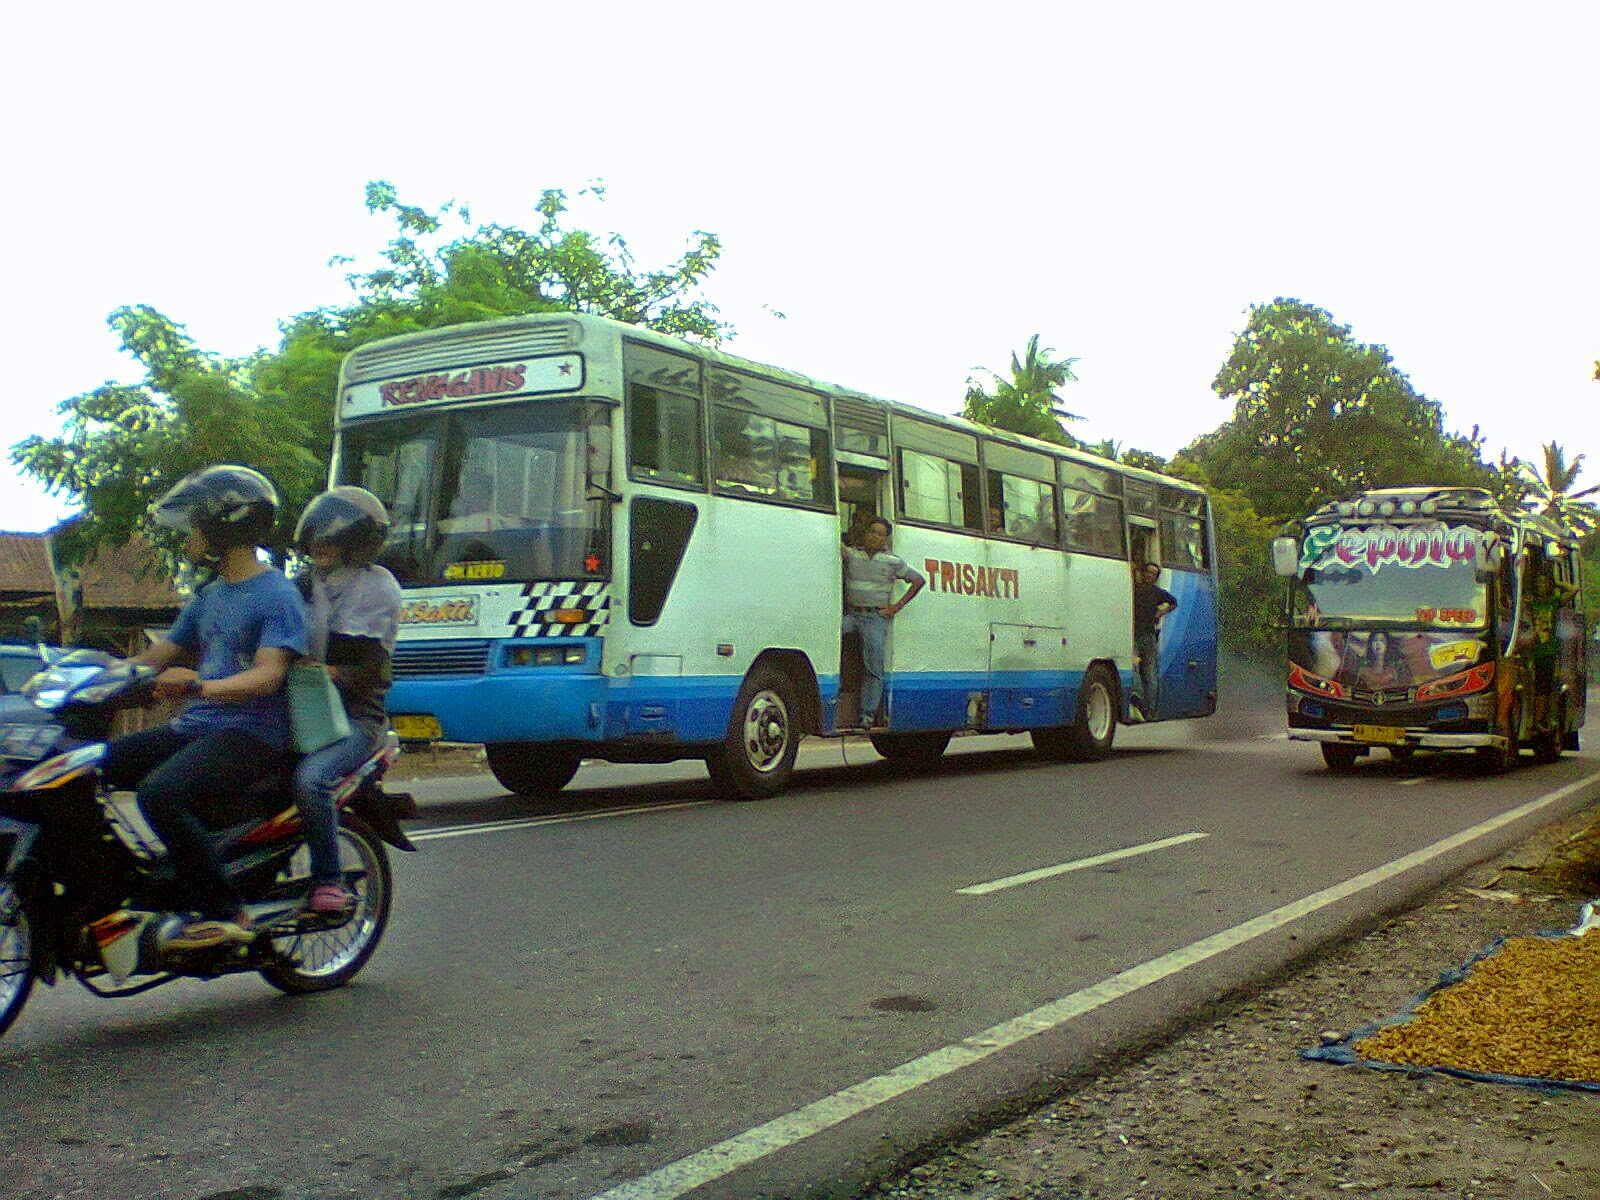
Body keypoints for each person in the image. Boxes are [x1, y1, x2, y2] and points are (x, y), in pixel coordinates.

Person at [104, 465, 308, 950]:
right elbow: (155, 658)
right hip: (198, 726)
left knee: (160, 794)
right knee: (90, 768)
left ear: (224, 526)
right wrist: (86, 676)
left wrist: (196, 687)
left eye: (195, 525)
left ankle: (224, 911)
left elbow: (268, 676)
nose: (188, 536)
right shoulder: (209, 596)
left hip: (251, 734)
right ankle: (133, 888)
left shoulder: (277, 593)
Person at [291, 486, 404, 915]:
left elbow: (369, 672)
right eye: (316, 538)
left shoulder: (376, 589)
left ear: (354, 543)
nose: (320, 546)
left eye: (331, 538)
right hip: (300, 710)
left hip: (355, 719)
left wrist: (321, 674)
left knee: (312, 780)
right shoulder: (302, 586)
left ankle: (328, 881)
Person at [840, 517, 925, 730]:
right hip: (852, 615)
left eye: (880, 533)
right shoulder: (853, 554)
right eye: (872, 531)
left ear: (885, 539)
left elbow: (918, 580)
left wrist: (896, 607)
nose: (875, 536)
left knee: (873, 666)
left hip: (874, 618)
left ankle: (867, 714)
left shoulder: (893, 561)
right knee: (828, 639)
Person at [1132, 561, 1176, 720]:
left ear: (1156, 577)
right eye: (1147, 572)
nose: (1149, 575)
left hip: (1148, 637)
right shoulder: (1134, 590)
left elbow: (1173, 602)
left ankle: (1150, 711)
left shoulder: (1157, 593)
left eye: (1153, 574)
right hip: (1134, 636)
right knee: (1134, 668)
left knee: (1150, 675)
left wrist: (1160, 614)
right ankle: (1139, 702)